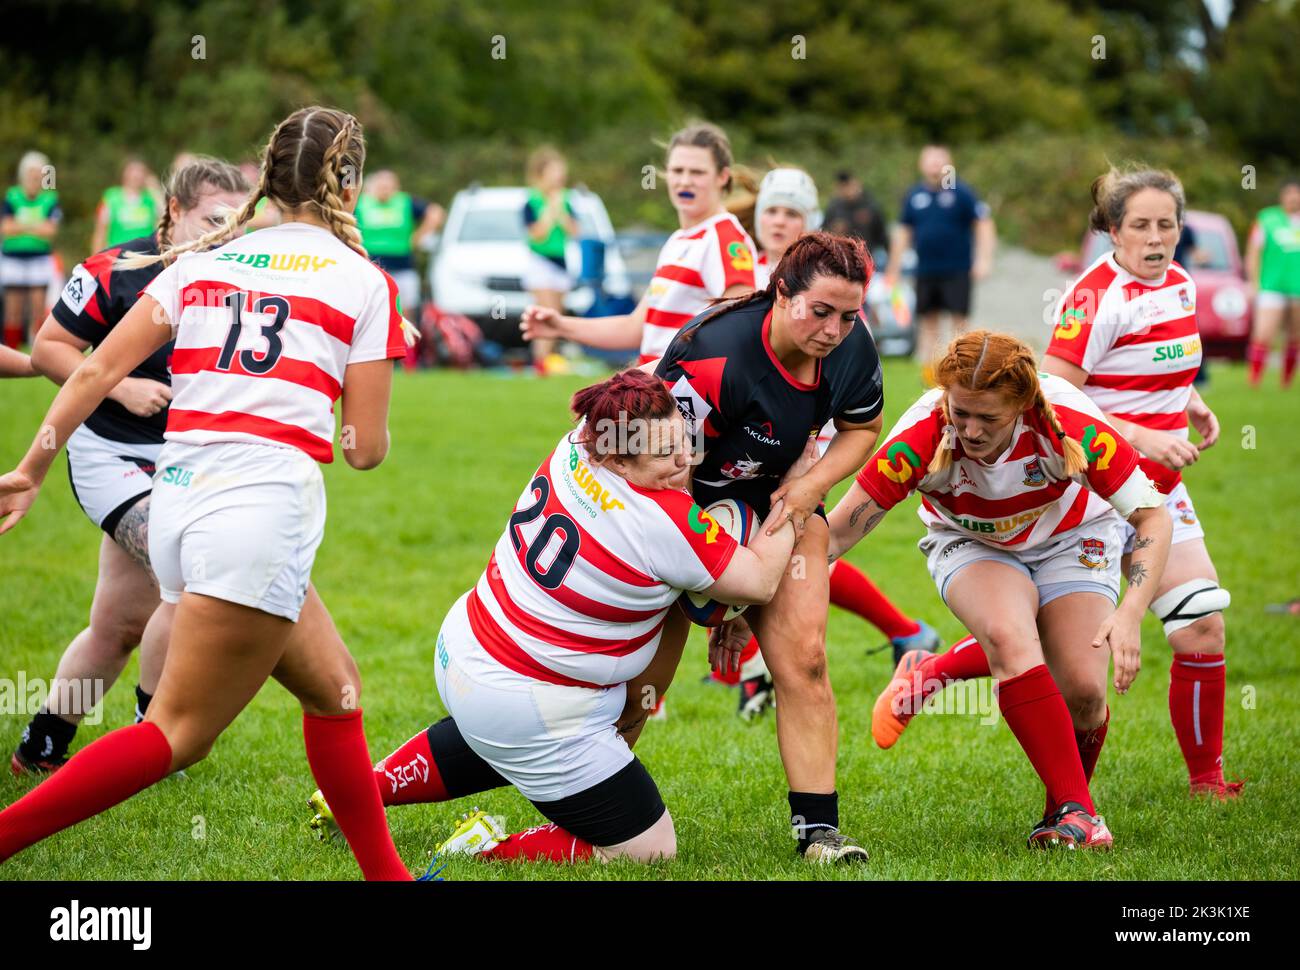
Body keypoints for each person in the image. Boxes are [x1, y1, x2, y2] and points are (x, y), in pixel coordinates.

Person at [0, 106, 415, 880]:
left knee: (336, 693)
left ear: (265, 177)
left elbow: (90, 370)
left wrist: (31, 467)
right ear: (346, 183)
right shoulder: (364, 280)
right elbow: (364, 452)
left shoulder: (204, 260)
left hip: (181, 502)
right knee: (176, 736)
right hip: (255, 517)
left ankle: (388, 881)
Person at [312, 370, 799, 862]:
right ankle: (483, 848)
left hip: (465, 647)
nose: (684, 459)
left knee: (506, 737)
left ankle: (354, 793)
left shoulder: (575, 444)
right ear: (616, 457)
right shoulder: (663, 521)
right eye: (663, 455)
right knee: (650, 848)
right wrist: (799, 490)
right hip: (527, 701)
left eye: (683, 440)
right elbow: (759, 581)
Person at [874, 169, 1243, 801]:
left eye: (1168, 225)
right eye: (1140, 226)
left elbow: (1157, 375)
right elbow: (1050, 390)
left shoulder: (1180, 284)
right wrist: (1142, 437)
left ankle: (1204, 781)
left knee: (1202, 623)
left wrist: (1185, 410)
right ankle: (948, 687)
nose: (1156, 239)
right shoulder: (1091, 298)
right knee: (1050, 644)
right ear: (1110, 230)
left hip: (1159, 491)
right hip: (1092, 489)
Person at [827, 331, 1172, 849]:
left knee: (1083, 691)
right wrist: (768, 591)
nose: (969, 429)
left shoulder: (1069, 424)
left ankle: (937, 674)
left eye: (988, 418)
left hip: (1071, 537)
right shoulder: (924, 432)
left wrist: (1131, 611)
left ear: (1023, 404)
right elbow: (838, 531)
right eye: (960, 412)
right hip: (970, 540)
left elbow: (1152, 517)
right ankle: (1079, 813)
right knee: (1012, 640)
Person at [10, 158, 250, 776]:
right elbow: (49, 350)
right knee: (187, 566)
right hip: (109, 454)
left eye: (238, 221)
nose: (226, 233)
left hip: (184, 461)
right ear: (173, 211)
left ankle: (41, 745)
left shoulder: (234, 276)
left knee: (117, 625)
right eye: (213, 219)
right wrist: (120, 390)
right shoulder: (115, 269)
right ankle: (151, 738)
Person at [651, 232, 885, 861]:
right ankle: (597, 811)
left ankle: (819, 833)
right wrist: (717, 595)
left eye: (849, 314)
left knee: (806, 659)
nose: (836, 330)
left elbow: (864, 427)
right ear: (781, 293)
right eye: (821, 312)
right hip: (681, 512)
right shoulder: (711, 358)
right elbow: (658, 474)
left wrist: (810, 484)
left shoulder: (851, 345)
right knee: (642, 687)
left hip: (780, 501)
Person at [716, 168, 937, 720]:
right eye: (772, 212)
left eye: (793, 213)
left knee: (803, 550)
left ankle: (758, 671)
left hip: (799, 440)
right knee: (778, 556)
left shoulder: (833, 298)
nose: (781, 222)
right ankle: (901, 633)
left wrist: (810, 475)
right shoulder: (737, 268)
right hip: (723, 434)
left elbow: (862, 423)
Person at [521, 121, 756, 366]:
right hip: (655, 394)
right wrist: (562, 326)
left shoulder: (724, 238)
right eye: (677, 171)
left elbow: (739, 331)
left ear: (722, 177)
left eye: (697, 172)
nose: (684, 181)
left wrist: (669, 373)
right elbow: (635, 328)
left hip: (679, 399)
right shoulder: (678, 240)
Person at [884, 145, 995, 370]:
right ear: (922, 164)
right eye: (930, 159)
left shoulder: (961, 192)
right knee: (927, 320)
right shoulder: (915, 195)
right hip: (925, 269)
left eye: (939, 159)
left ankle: (963, 366)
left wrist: (984, 259)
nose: (935, 164)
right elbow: (904, 232)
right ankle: (929, 369)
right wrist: (893, 268)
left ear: (949, 162)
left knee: (959, 320)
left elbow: (983, 224)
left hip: (957, 268)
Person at [355, 169, 443, 320]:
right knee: (371, 310)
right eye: (381, 186)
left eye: (388, 186)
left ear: (396, 187)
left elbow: (436, 213)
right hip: (370, 265)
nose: (385, 190)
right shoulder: (361, 203)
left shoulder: (404, 202)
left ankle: (407, 343)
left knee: (406, 310)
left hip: (402, 264)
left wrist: (418, 237)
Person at [521, 146, 579, 375]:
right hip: (540, 262)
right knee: (545, 312)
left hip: (561, 262)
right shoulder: (532, 201)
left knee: (557, 316)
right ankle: (540, 362)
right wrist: (549, 210)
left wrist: (561, 211)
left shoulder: (566, 199)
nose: (559, 177)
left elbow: (575, 231)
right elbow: (537, 234)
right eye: (555, 172)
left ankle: (547, 360)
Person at [1244, 176, 1300, 387]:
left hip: (1298, 288)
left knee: (1295, 336)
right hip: (1271, 286)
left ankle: (1286, 383)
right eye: (1290, 194)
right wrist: (1253, 282)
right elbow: (1253, 252)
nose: (1294, 198)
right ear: (1283, 196)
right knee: (1263, 333)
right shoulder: (1267, 219)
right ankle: (1254, 380)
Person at [2, 152, 61, 349]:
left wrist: (21, 225)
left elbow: (50, 231)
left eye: (38, 174)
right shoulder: (12, 196)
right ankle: (11, 351)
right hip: (13, 258)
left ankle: (38, 349)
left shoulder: (50, 198)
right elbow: (6, 229)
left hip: (39, 259)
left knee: (38, 309)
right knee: (13, 310)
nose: (34, 179)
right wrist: (36, 226)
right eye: (31, 174)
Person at [90, 158, 162, 254]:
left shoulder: (150, 199)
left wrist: (155, 190)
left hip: (145, 258)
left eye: (141, 171)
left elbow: (165, 222)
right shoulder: (111, 197)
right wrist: (96, 259)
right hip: (116, 256)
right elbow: (100, 232)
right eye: (133, 170)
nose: (137, 175)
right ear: (125, 173)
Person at [823, 171, 888, 257]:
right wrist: (833, 230)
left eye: (849, 185)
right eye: (843, 186)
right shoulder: (834, 208)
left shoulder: (869, 205)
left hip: (869, 254)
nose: (847, 190)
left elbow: (882, 234)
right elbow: (823, 232)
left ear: (856, 183)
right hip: (842, 255)